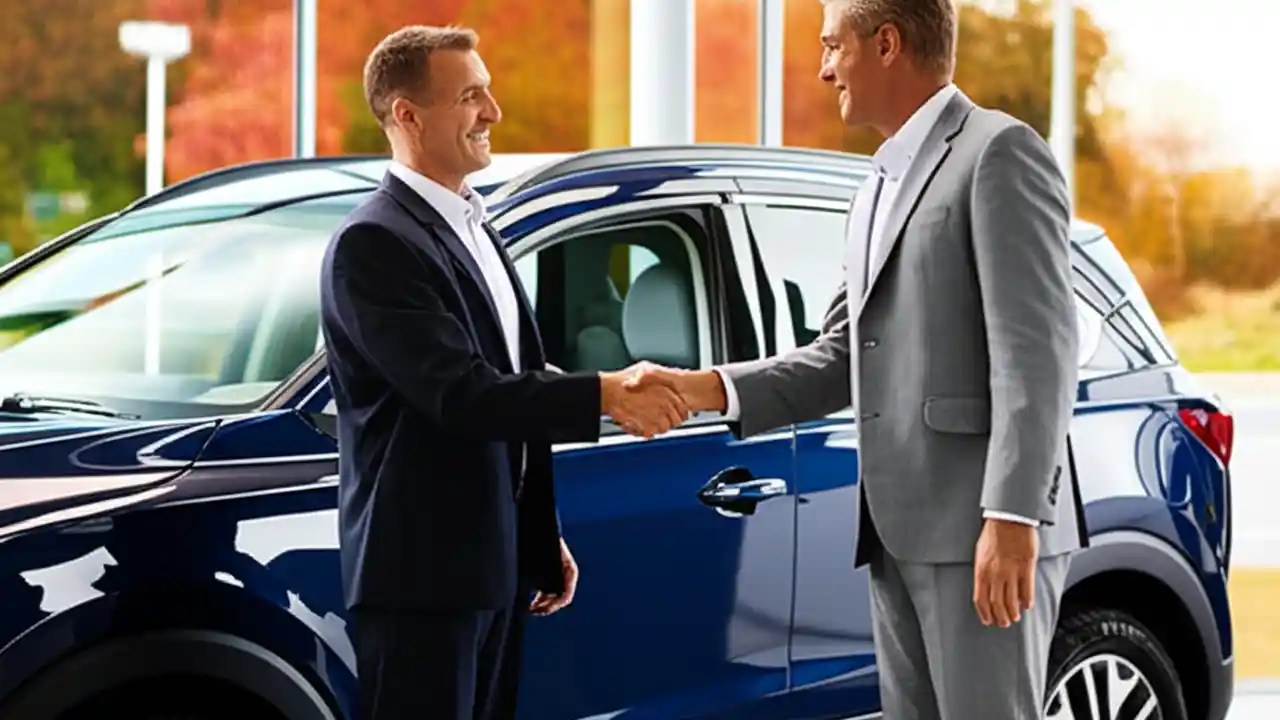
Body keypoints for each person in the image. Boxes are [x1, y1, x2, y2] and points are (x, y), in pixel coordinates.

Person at [627, 0, 1084, 717]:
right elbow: (841, 357)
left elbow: (1038, 351)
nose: (822, 67)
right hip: (895, 531)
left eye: (832, 45)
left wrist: (1013, 516)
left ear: (887, 44)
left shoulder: (999, 151)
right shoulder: (873, 187)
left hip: (980, 532)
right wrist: (700, 386)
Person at [318, 25, 687, 720]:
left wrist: (534, 529)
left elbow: (511, 373)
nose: (493, 112)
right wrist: (608, 393)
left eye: (488, 92)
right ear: (408, 115)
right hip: (422, 584)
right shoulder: (373, 244)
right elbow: (461, 392)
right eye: (471, 96)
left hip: (490, 570)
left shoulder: (474, 226)